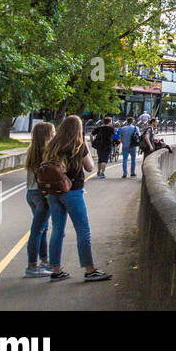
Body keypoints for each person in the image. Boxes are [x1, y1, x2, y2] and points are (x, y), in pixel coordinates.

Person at [43, 115, 111, 282]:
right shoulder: (78, 145)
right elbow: (89, 167)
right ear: (78, 130)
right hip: (73, 191)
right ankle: (89, 269)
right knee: (83, 230)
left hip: (54, 191)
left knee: (57, 230)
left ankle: (56, 269)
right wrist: (85, 145)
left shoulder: (52, 145)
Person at [22, 121, 55, 278]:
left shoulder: (32, 151)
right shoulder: (46, 153)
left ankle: (44, 260)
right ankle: (32, 265)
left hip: (31, 193)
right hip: (42, 194)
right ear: (48, 135)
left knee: (42, 228)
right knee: (37, 230)